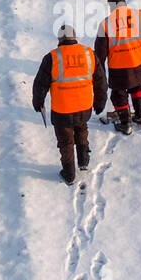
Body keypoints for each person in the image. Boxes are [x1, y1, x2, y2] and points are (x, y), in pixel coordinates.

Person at [32, 24, 107, 183]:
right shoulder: (89, 54)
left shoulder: (52, 57)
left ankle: (69, 173)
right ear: (74, 37)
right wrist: (100, 102)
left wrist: (38, 102)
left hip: (62, 109)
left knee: (66, 141)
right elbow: (100, 80)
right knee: (81, 130)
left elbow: (40, 84)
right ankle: (84, 161)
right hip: (84, 106)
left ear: (60, 39)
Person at [94, 0, 141, 135]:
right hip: (139, 62)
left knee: (118, 94)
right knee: (138, 87)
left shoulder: (105, 24)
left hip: (119, 66)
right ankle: (140, 115)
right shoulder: (140, 15)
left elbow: (100, 53)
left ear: (111, 5)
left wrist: (99, 72)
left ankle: (125, 123)